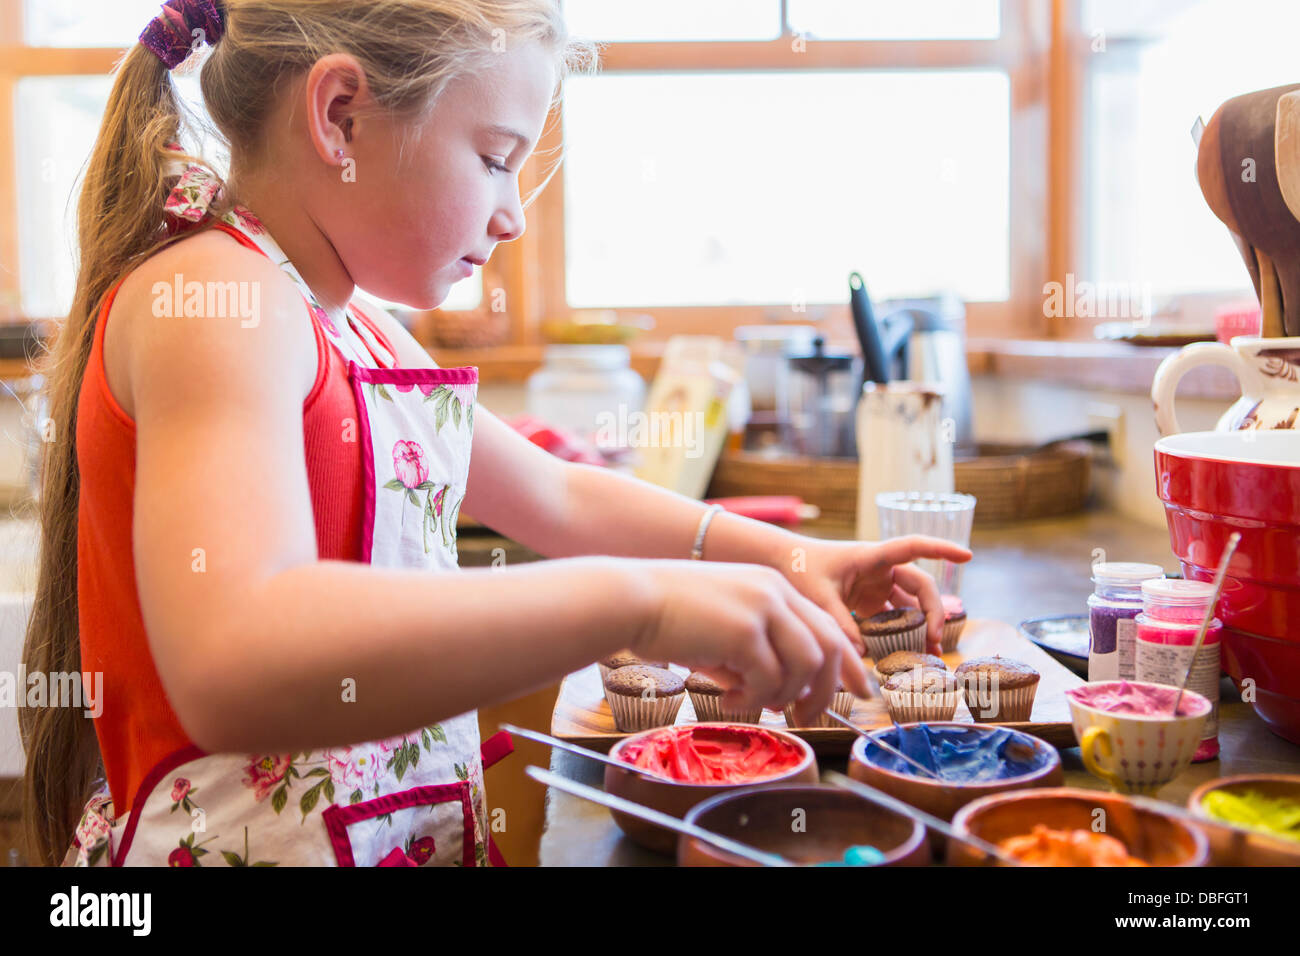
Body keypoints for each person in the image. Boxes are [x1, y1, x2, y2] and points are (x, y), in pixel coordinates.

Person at [21, 0, 971, 867]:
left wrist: (784, 556)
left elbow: (555, 495)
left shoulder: (349, 322)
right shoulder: (216, 305)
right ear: (341, 116)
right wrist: (636, 602)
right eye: (494, 157)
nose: (514, 216)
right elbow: (232, 663)